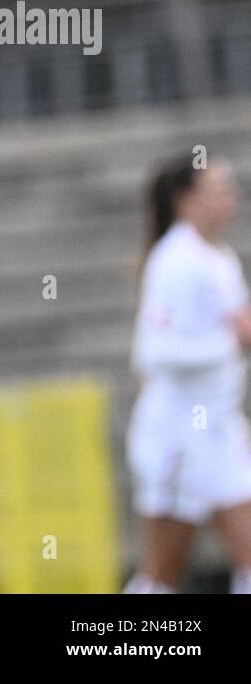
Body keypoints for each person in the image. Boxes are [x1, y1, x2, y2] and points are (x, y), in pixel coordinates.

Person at [123, 155, 251, 594]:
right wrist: (231, 342)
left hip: (220, 431)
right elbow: (154, 353)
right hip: (177, 434)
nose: (229, 200)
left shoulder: (222, 259)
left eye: (231, 189)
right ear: (185, 201)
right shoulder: (175, 260)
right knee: (163, 576)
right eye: (218, 190)